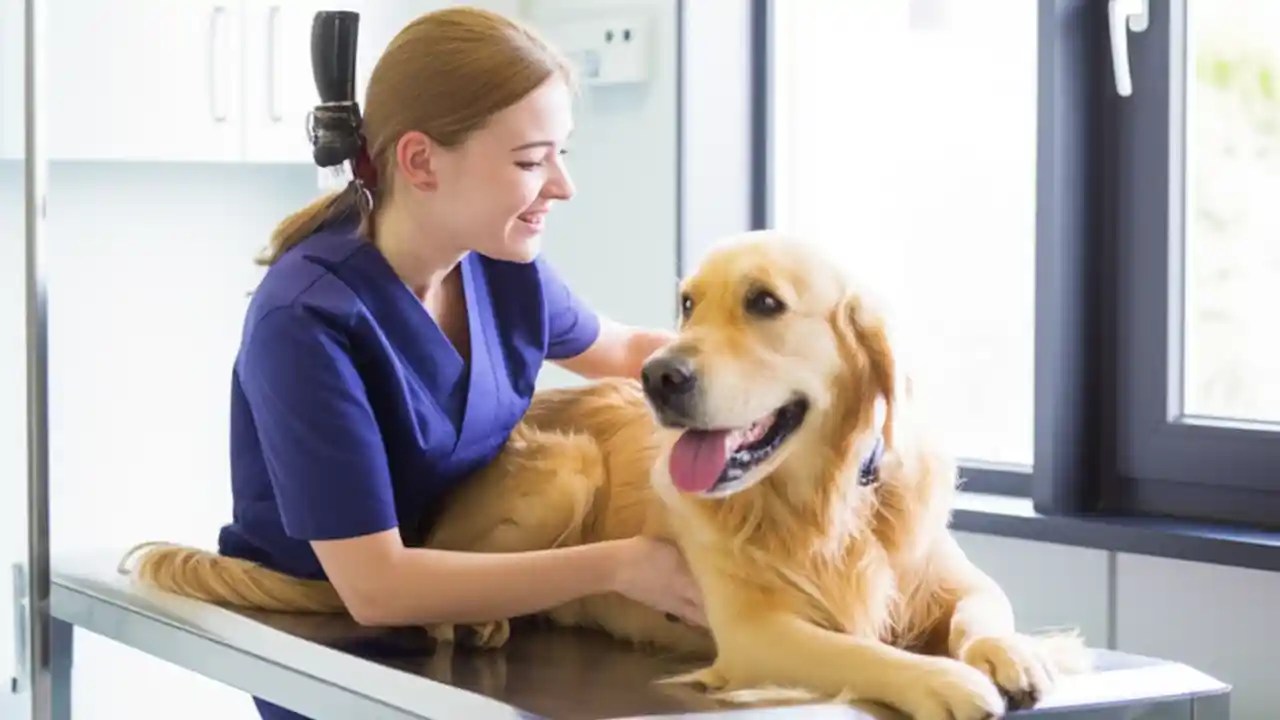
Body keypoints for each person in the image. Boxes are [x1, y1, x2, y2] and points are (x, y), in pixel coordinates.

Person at [203, 6, 703, 719]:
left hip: (479, 630)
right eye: (532, 161)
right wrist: (622, 568)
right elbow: (376, 588)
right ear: (420, 161)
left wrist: (767, 384)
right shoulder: (307, 320)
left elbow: (625, 353)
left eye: (563, 154)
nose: (562, 185)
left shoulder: (502, 271)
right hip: (335, 651)